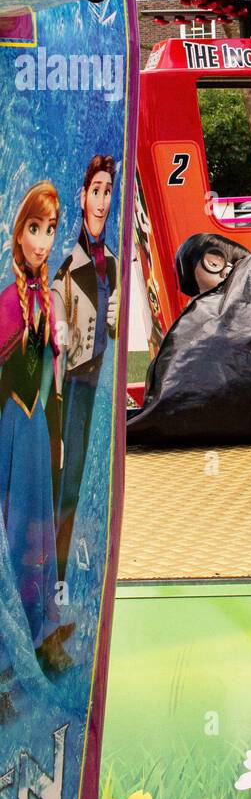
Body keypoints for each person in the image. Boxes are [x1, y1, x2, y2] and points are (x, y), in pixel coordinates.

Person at [0, 180, 71, 674]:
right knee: (12, 533)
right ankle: (7, 656)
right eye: (34, 228)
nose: (42, 241)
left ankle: (42, 633)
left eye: (49, 230)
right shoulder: (6, 303)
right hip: (9, 433)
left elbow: (50, 373)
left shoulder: (45, 298)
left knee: (37, 534)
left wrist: (56, 429)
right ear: (18, 232)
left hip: (37, 433)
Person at [53, 155, 117, 582]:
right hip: (73, 381)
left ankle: (68, 570)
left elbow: (111, 326)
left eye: (108, 191)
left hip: (99, 381)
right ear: (82, 196)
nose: (101, 200)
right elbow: (55, 292)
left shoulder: (110, 259)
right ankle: (54, 571)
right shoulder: (69, 259)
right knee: (67, 476)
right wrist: (58, 319)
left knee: (89, 476)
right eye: (95, 190)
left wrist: (113, 319)